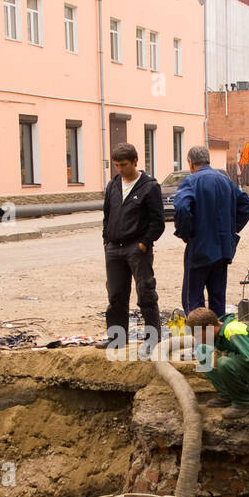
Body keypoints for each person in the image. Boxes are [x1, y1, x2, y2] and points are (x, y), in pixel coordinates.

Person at [97, 142, 164, 357]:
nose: (120, 169)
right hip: (114, 249)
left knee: (145, 293)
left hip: (137, 248)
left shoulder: (149, 187)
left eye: (123, 165)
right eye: (116, 165)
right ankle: (116, 338)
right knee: (116, 295)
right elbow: (107, 215)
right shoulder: (113, 185)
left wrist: (144, 243)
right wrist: (106, 239)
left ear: (135, 162)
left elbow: (158, 222)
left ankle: (152, 340)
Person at [172, 145, 249, 317]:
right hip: (223, 249)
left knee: (193, 299)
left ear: (190, 163)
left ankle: (202, 340)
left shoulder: (191, 181)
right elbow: (246, 206)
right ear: (208, 160)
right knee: (217, 298)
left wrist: (186, 233)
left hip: (199, 249)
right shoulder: (225, 181)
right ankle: (217, 338)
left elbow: (181, 208)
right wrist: (231, 229)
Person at [186, 306, 249, 419]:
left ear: (209, 327)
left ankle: (244, 402)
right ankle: (227, 396)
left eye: (199, 335)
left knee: (223, 362)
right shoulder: (217, 333)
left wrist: (226, 356)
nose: (198, 340)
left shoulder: (233, 330)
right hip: (247, 374)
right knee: (202, 350)